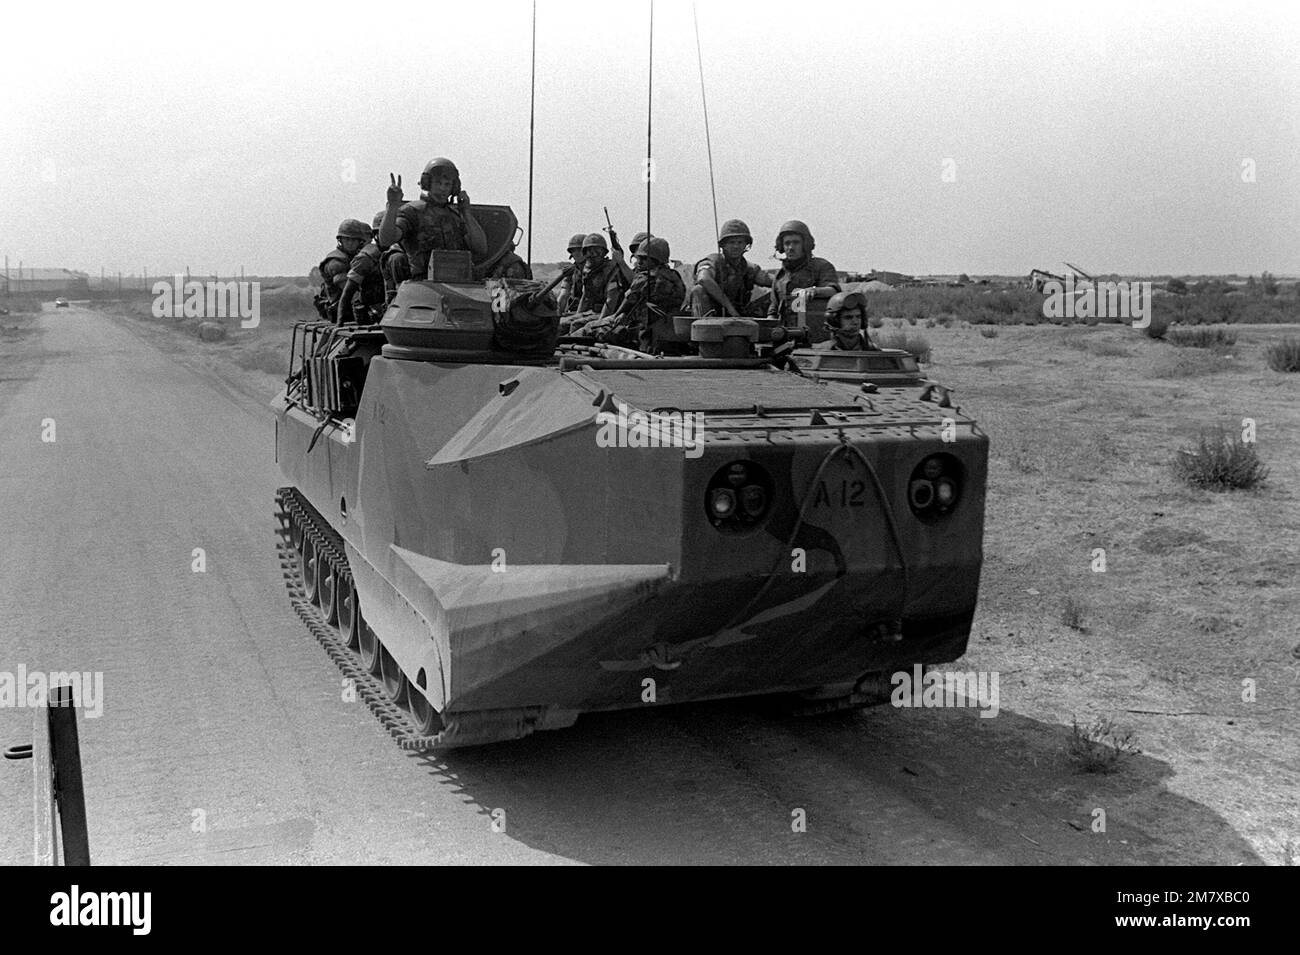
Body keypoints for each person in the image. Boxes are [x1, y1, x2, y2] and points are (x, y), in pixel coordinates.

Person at [377, 158, 488, 280]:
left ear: (454, 188)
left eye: (447, 184)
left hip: (458, 282)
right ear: (427, 184)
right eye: (438, 183)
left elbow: (480, 248)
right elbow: (386, 239)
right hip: (421, 284)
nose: (443, 188)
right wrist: (393, 206)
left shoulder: (456, 216)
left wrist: (466, 212)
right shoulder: (412, 212)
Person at [574, 236, 684, 350]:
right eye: (638, 258)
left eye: (644, 258)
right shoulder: (675, 277)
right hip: (664, 332)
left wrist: (618, 316)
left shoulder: (643, 278)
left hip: (636, 331)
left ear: (655, 260)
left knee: (588, 328)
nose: (639, 262)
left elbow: (624, 306)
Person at [689, 218, 772, 317]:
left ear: (746, 245)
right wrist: (729, 307)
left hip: (738, 316)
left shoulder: (748, 268)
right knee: (698, 290)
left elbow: (773, 280)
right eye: (732, 242)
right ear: (723, 245)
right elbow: (703, 279)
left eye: (740, 242)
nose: (736, 246)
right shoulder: (713, 261)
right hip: (710, 318)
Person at [767, 219, 838, 327]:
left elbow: (834, 291)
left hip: (816, 329)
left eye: (796, 242)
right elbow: (773, 309)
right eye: (787, 243)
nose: (790, 248)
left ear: (805, 245)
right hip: (786, 332)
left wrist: (815, 291)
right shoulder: (780, 276)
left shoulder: (821, 266)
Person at [336, 211, 389, 323]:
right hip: (374, 313)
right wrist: (339, 321)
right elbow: (348, 293)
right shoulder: (366, 258)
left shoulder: (405, 254)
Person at [314, 218, 371, 321]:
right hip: (342, 310)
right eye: (347, 239)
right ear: (340, 240)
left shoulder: (359, 257)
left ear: (360, 241)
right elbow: (349, 290)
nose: (350, 243)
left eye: (354, 240)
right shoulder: (335, 262)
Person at [572, 232, 628, 317]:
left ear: (604, 253)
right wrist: (576, 316)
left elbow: (611, 300)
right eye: (590, 251)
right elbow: (585, 297)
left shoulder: (610, 270)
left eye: (597, 251)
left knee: (576, 325)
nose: (593, 254)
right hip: (594, 312)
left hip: (610, 314)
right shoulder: (587, 271)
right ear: (585, 253)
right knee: (563, 324)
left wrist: (599, 324)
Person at [556, 233, 588, 314]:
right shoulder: (571, 271)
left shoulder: (597, 270)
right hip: (575, 310)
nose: (576, 253)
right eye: (574, 250)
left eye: (579, 250)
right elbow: (563, 295)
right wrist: (556, 314)